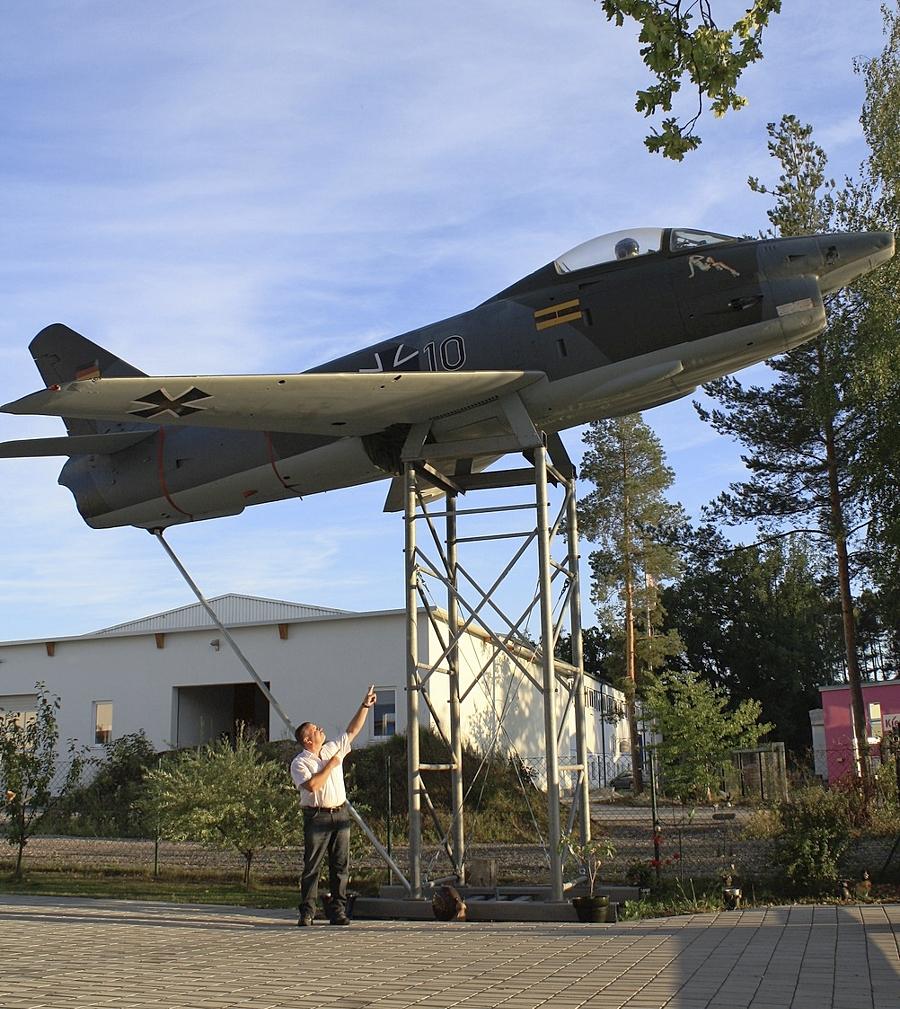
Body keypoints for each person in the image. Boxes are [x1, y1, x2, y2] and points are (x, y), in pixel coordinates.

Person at [290, 685, 377, 927]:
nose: (321, 729)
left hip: (339, 814)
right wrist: (331, 765)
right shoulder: (299, 763)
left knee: (340, 865)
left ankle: (337, 911)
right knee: (312, 866)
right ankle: (307, 911)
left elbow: (352, 731)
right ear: (307, 740)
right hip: (316, 816)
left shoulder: (331, 748)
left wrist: (365, 706)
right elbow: (313, 786)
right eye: (315, 730)